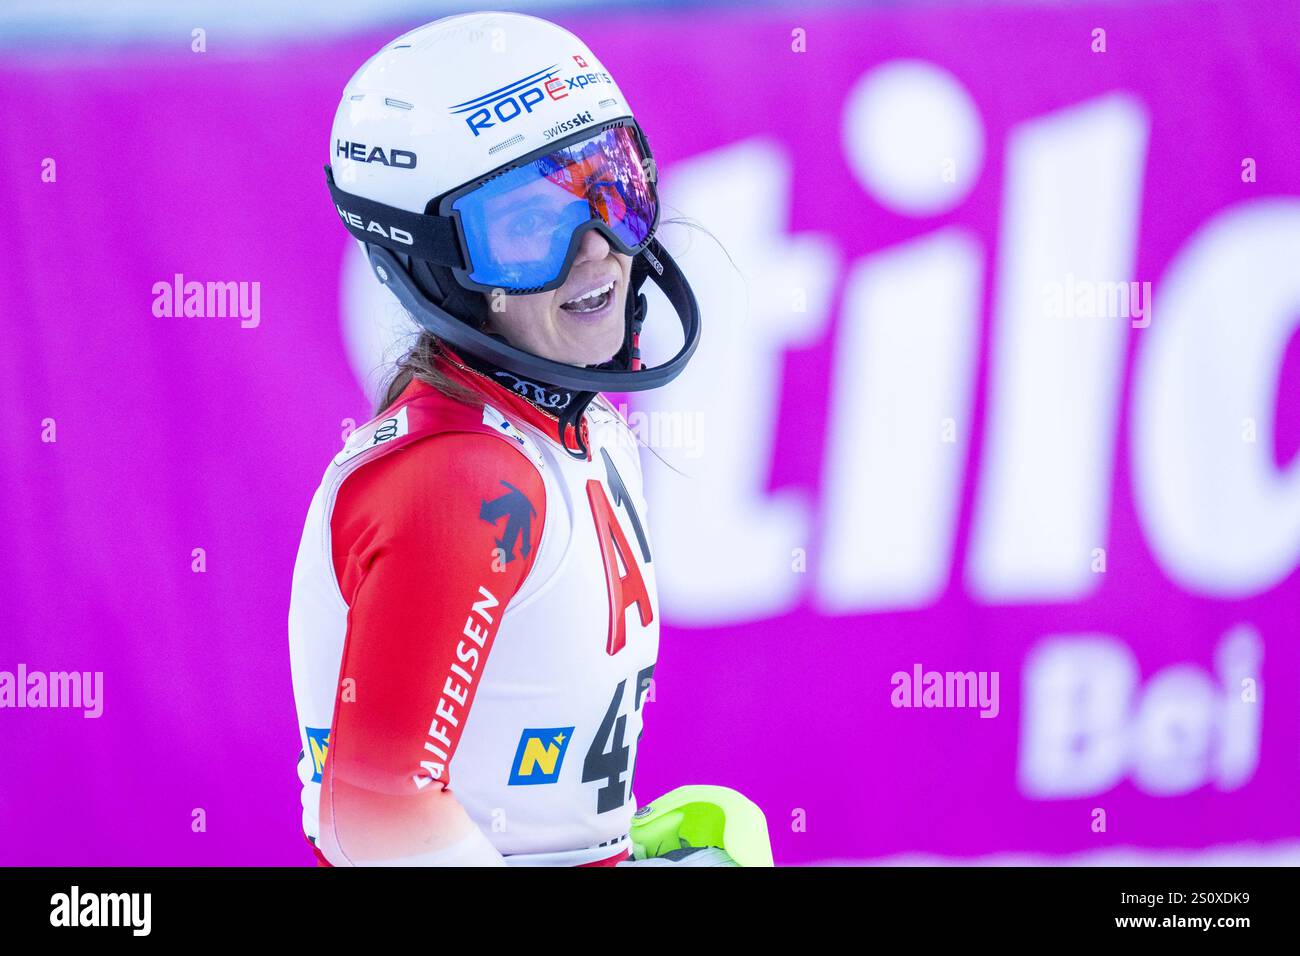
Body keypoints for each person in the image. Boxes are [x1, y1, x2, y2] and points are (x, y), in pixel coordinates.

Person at [287, 11, 702, 866]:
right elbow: (373, 816)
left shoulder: (572, 429)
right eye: (528, 226)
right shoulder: (465, 480)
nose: (596, 251)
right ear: (438, 268)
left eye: (611, 186)